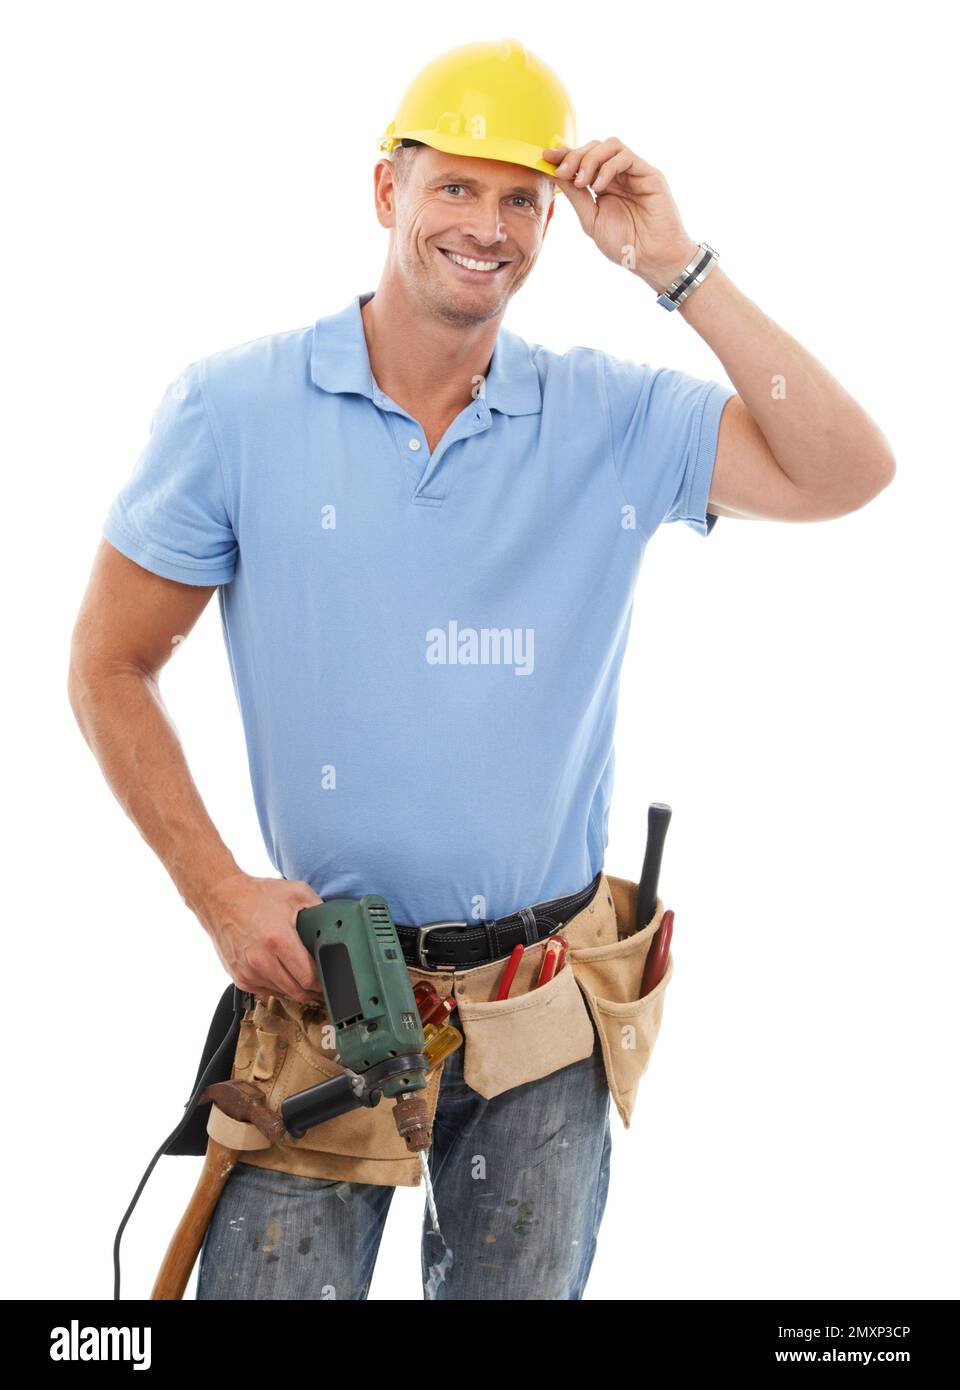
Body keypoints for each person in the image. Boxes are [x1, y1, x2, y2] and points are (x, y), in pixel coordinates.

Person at [68, 38, 895, 1301]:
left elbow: (848, 469)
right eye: (455, 184)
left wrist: (678, 268)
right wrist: (220, 893)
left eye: (523, 197)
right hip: (332, 1002)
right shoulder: (233, 410)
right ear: (386, 190)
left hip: (541, 1012)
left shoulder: (610, 419)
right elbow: (111, 663)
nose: (489, 225)